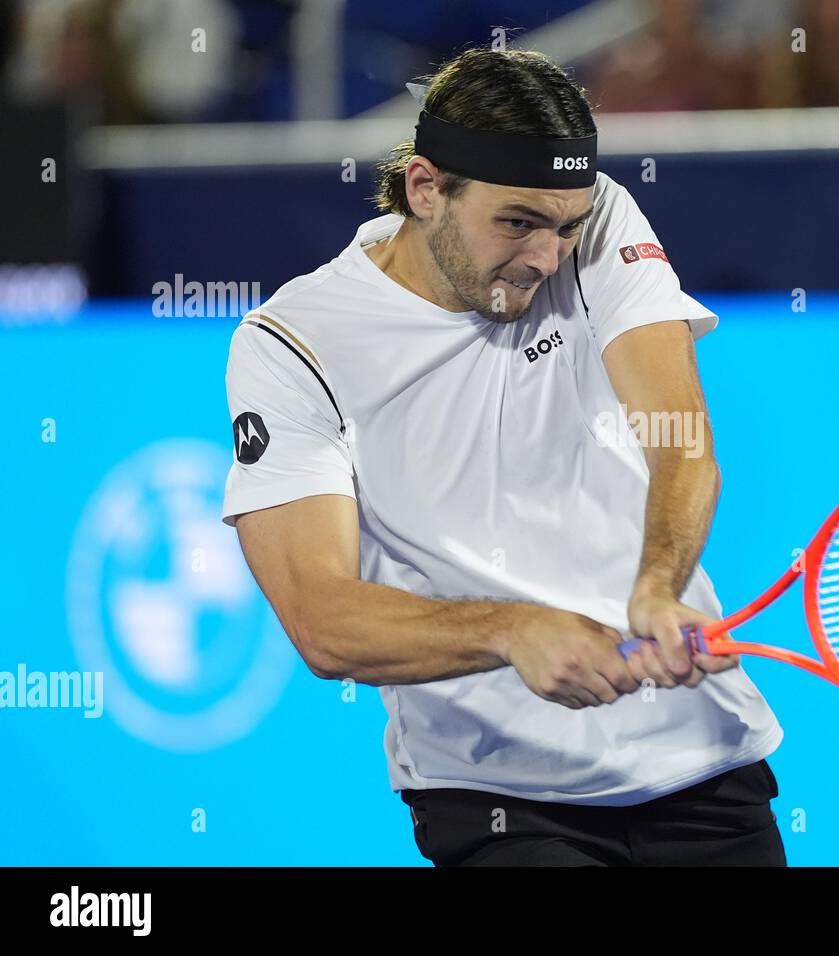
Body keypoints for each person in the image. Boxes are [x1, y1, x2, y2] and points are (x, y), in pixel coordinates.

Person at [221, 47, 785, 866]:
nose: (547, 258)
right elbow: (322, 620)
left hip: (705, 766)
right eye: (516, 223)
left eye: (566, 228)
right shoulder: (292, 343)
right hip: (499, 804)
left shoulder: (595, 220)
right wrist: (512, 631)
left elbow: (680, 439)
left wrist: (657, 588)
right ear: (425, 189)